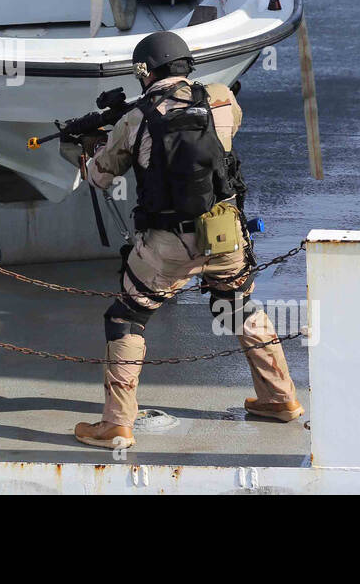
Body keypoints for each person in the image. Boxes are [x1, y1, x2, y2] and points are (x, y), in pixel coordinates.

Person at [68, 31, 304, 450]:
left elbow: (100, 177)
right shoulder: (221, 98)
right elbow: (224, 135)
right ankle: (280, 398)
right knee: (238, 305)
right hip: (226, 233)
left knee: (127, 317)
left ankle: (117, 424)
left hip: (169, 243)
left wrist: (93, 149)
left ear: (144, 71)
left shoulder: (133, 119)